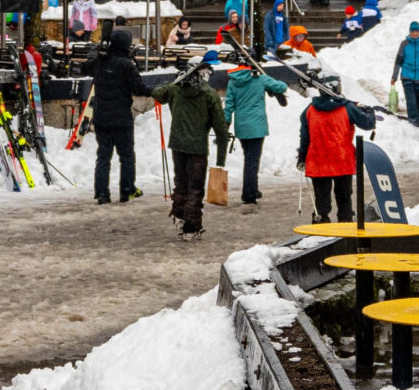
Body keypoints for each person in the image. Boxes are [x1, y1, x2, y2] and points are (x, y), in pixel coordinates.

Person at [151, 59, 229, 236]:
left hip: (177, 144)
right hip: (197, 147)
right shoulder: (209, 94)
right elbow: (220, 127)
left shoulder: (175, 89)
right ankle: (191, 226)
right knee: (195, 186)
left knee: (181, 182)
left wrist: (173, 82)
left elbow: (157, 93)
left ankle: (179, 215)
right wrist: (220, 160)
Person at [80, 28, 152, 204]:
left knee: (103, 156)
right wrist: (156, 91)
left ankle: (102, 193)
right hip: (122, 118)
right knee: (126, 155)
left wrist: (98, 55)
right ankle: (127, 190)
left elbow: (83, 68)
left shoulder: (101, 61)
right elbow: (138, 88)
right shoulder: (127, 64)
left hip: (102, 117)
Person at [297, 88, 375, 223]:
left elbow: (305, 136)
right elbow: (368, 123)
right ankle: (346, 229)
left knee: (321, 201)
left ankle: (321, 229)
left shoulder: (310, 109)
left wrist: (302, 156)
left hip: (318, 161)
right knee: (344, 198)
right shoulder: (347, 107)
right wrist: (369, 111)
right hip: (342, 160)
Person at [223, 60, 287, 208]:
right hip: (257, 126)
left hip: (242, 126)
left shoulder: (233, 81)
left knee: (249, 158)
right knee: (252, 161)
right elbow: (281, 86)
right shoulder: (260, 78)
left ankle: (254, 189)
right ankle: (248, 194)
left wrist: (225, 124)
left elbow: (229, 105)